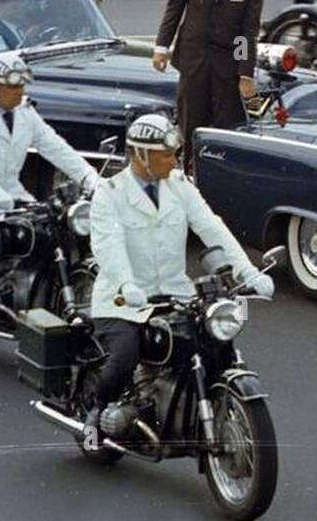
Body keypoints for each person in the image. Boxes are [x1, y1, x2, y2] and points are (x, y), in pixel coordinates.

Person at [85, 113, 273, 443]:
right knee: (124, 356)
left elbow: (212, 228)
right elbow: (108, 246)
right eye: (166, 155)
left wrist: (248, 271)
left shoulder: (179, 186)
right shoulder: (109, 193)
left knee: (214, 344)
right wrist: (127, 285)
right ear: (140, 155)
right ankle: (95, 409)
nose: (174, 161)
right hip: (123, 300)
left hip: (176, 294)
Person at [0, 52, 98, 291]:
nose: (19, 91)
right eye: (12, 86)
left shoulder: (26, 114)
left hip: (15, 197)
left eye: (21, 85)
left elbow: (54, 146)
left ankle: (26, 292)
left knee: (51, 235)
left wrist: (89, 177)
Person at [153, 0, 265, 150]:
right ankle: (187, 170)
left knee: (226, 128)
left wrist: (245, 73)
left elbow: (247, 32)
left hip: (226, 67)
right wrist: (161, 47)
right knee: (189, 124)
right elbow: (175, 7)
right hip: (193, 60)